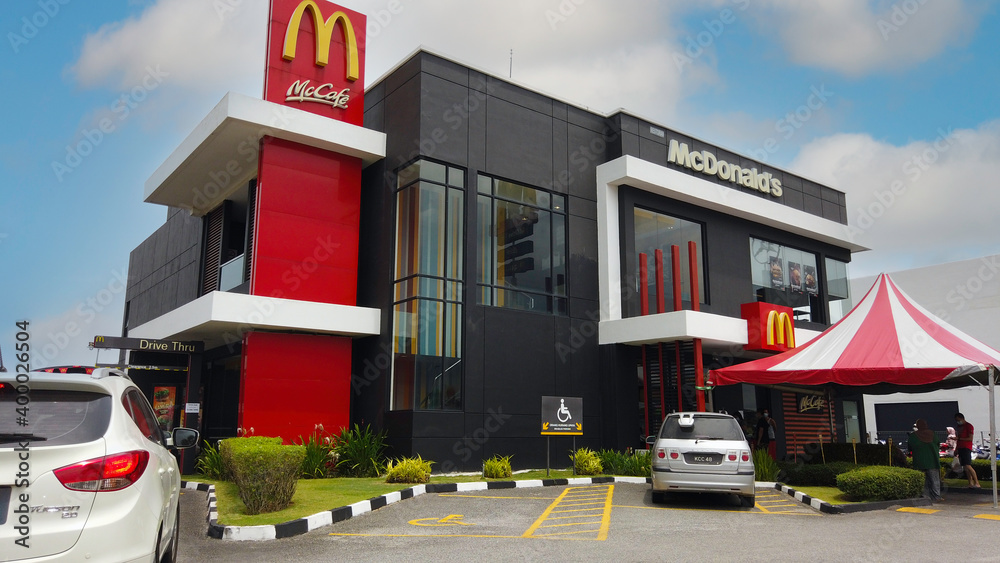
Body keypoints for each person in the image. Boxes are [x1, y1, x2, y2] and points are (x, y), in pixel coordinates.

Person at [908, 419, 942, 502]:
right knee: (935, 481)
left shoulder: (913, 436)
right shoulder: (933, 434)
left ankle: (925, 496)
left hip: (919, 462)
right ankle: (936, 497)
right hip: (933, 461)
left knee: (923, 481)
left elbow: (910, 448)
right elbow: (938, 444)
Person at [954, 412, 981, 489]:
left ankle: (977, 483)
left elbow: (970, 438)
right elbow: (958, 439)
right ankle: (970, 483)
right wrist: (956, 449)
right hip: (961, 448)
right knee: (965, 467)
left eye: (958, 420)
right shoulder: (959, 427)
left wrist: (959, 439)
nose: (958, 421)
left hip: (966, 447)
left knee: (968, 465)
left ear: (962, 418)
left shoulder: (969, 426)